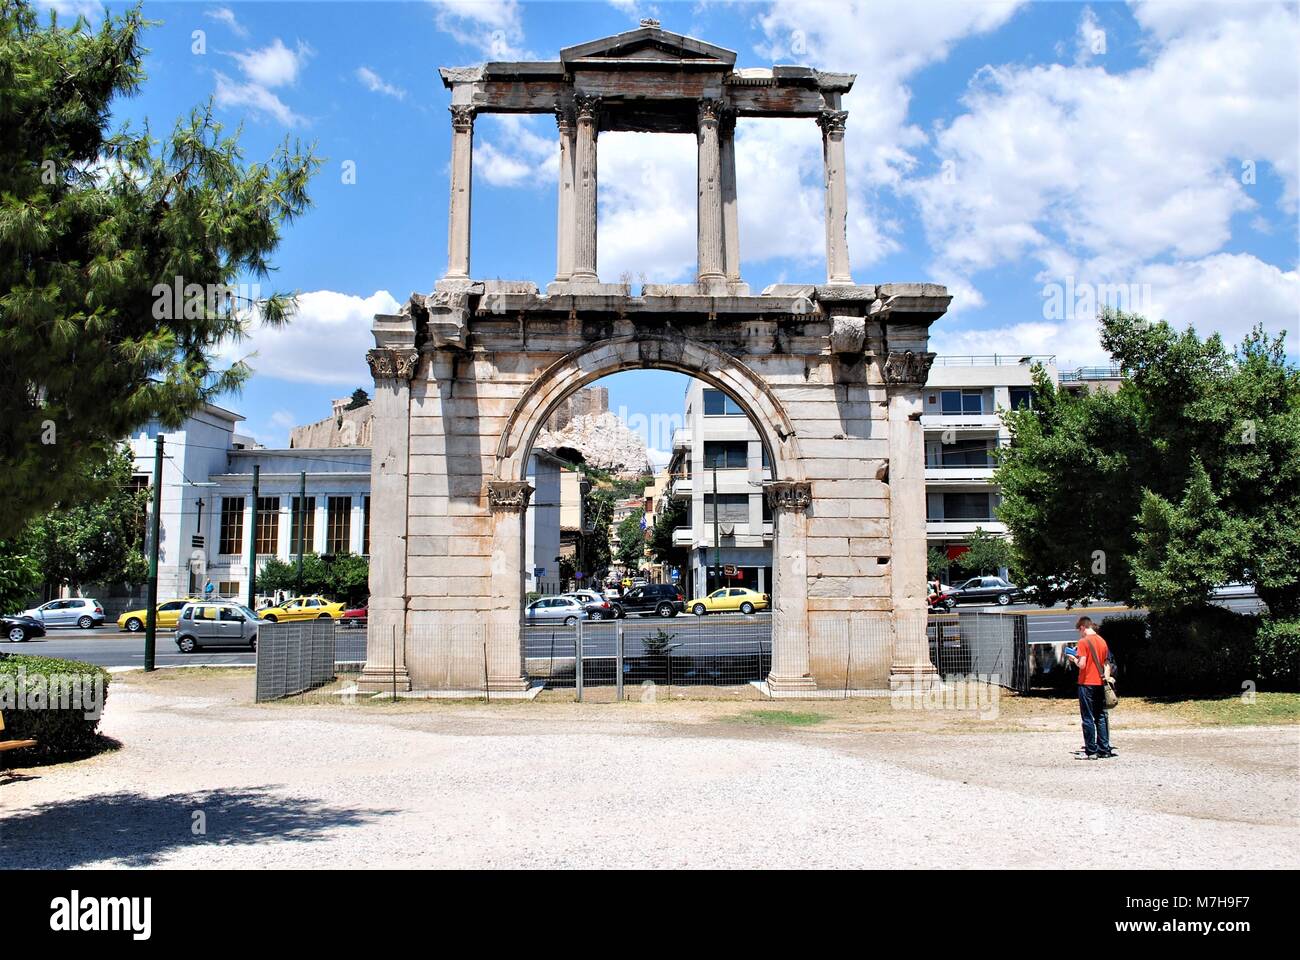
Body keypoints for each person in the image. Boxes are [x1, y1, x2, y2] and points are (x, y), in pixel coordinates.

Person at [1066, 616, 1116, 760]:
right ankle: (1104, 749)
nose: (1079, 633)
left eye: (1079, 630)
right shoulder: (1102, 641)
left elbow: (1082, 664)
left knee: (1087, 717)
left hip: (1086, 683)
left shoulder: (1083, 642)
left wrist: (1073, 658)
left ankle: (1091, 750)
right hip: (1100, 683)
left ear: (1082, 627)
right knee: (1100, 716)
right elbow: (1106, 663)